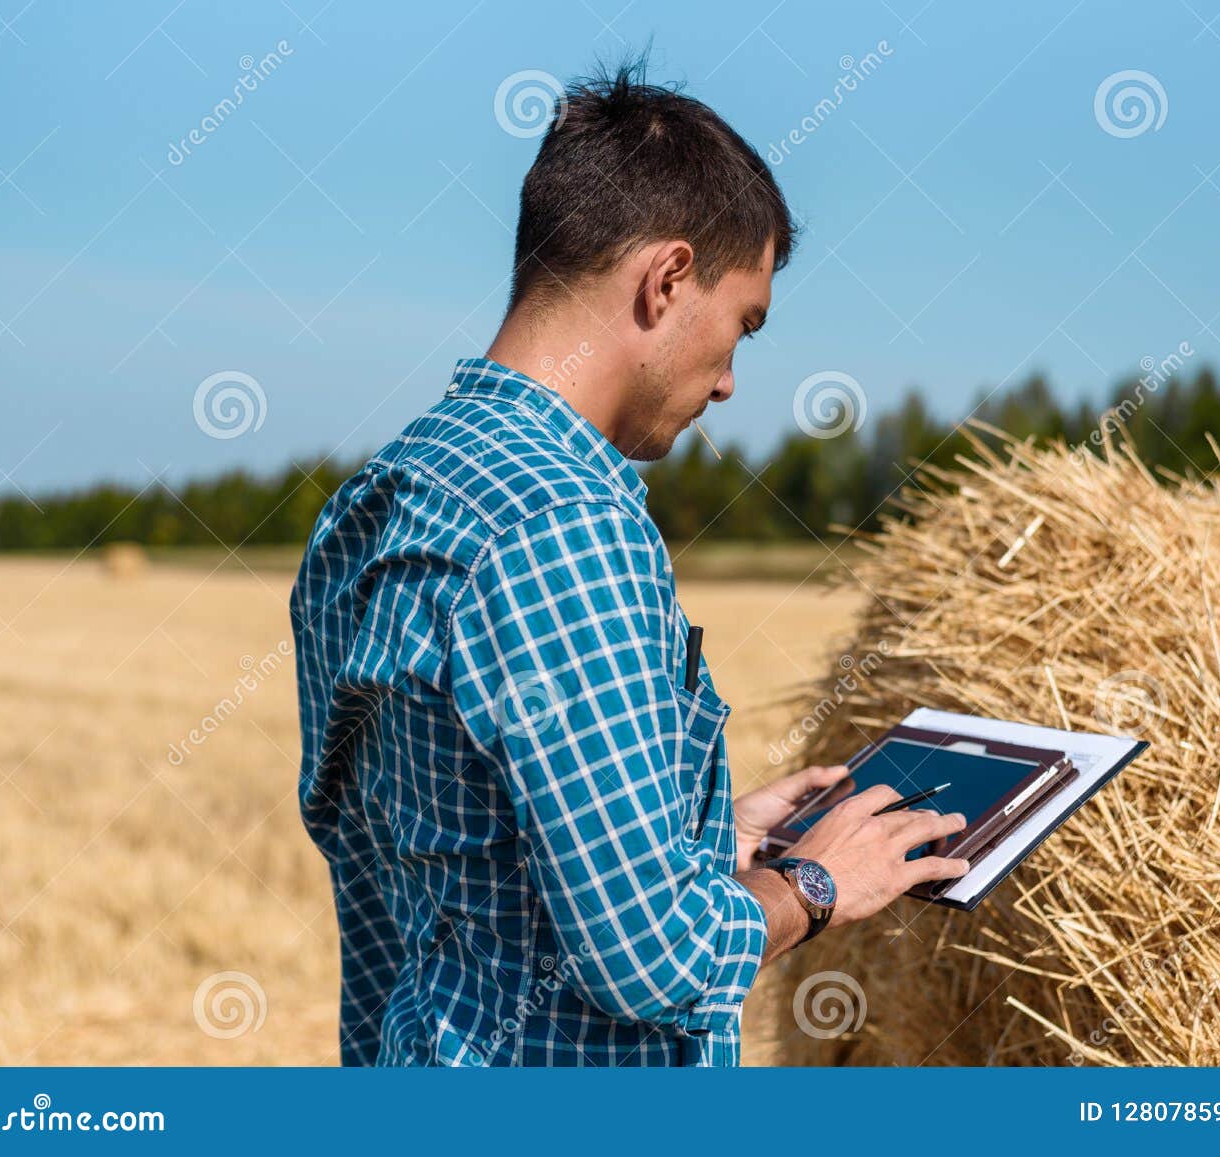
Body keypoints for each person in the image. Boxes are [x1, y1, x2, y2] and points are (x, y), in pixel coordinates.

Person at [290, 57, 970, 1067]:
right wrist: (815, 882)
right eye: (741, 323)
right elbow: (652, 960)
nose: (731, 381)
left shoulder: (387, 492)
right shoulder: (564, 521)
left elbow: (423, 872)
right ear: (665, 279)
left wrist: (694, 838)